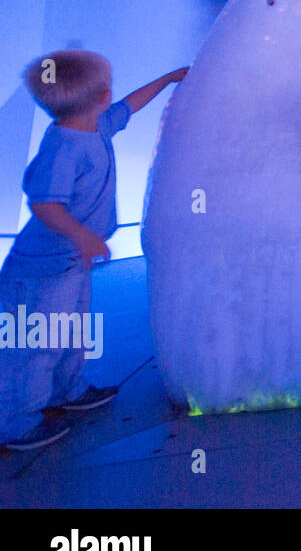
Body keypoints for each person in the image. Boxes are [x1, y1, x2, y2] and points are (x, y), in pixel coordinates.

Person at [1, 51, 188, 451]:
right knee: (36, 343)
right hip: (41, 270)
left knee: (71, 331)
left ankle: (65, 393)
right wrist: (83, 236)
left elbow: (130, 106)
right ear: (102, 93)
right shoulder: (64, 148)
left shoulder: (96, 125)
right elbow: (44, 204)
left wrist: (169, 76)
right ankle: (15, 424)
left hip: (70, 264)